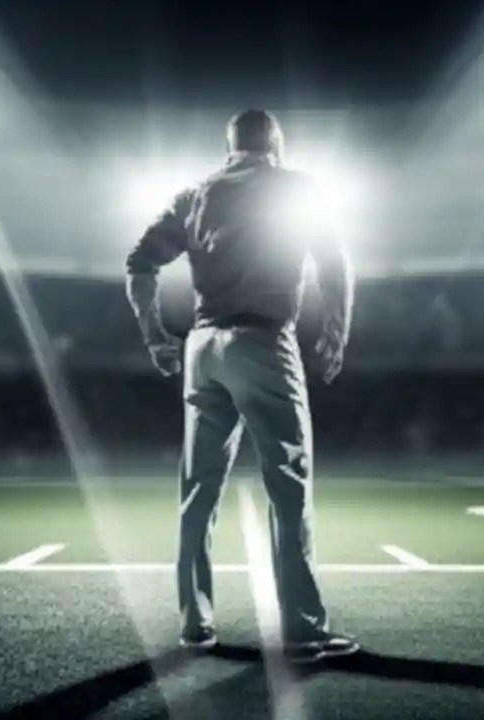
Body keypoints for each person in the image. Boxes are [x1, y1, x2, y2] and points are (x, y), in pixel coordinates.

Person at [125, 109, 357, 663]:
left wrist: (155, 336)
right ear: (276, 144)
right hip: (262, 340)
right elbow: (334, 262)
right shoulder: (296, 186)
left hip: (202, 347)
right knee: (288, 484)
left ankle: (194, 625)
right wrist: (336, 334)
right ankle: (302, 631)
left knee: (197, 492)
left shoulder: (195, 193)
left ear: (230, 148)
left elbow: (138, 263)